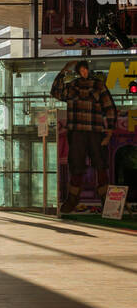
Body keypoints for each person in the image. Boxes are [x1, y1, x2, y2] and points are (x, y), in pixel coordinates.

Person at [51, 59, 117, 212]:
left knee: (100, 165)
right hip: (77, 132)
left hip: (95, 131)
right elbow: (55, 91)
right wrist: (63, 71)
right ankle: (73, 199)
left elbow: (109, 108)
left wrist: (109, 132)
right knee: (76, 165)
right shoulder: (72, 86)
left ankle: (107, 201)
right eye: (81, 70)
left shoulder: (98, 86)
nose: (84, 72)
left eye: (85, 69)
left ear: (88, 70)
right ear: (77, 72)